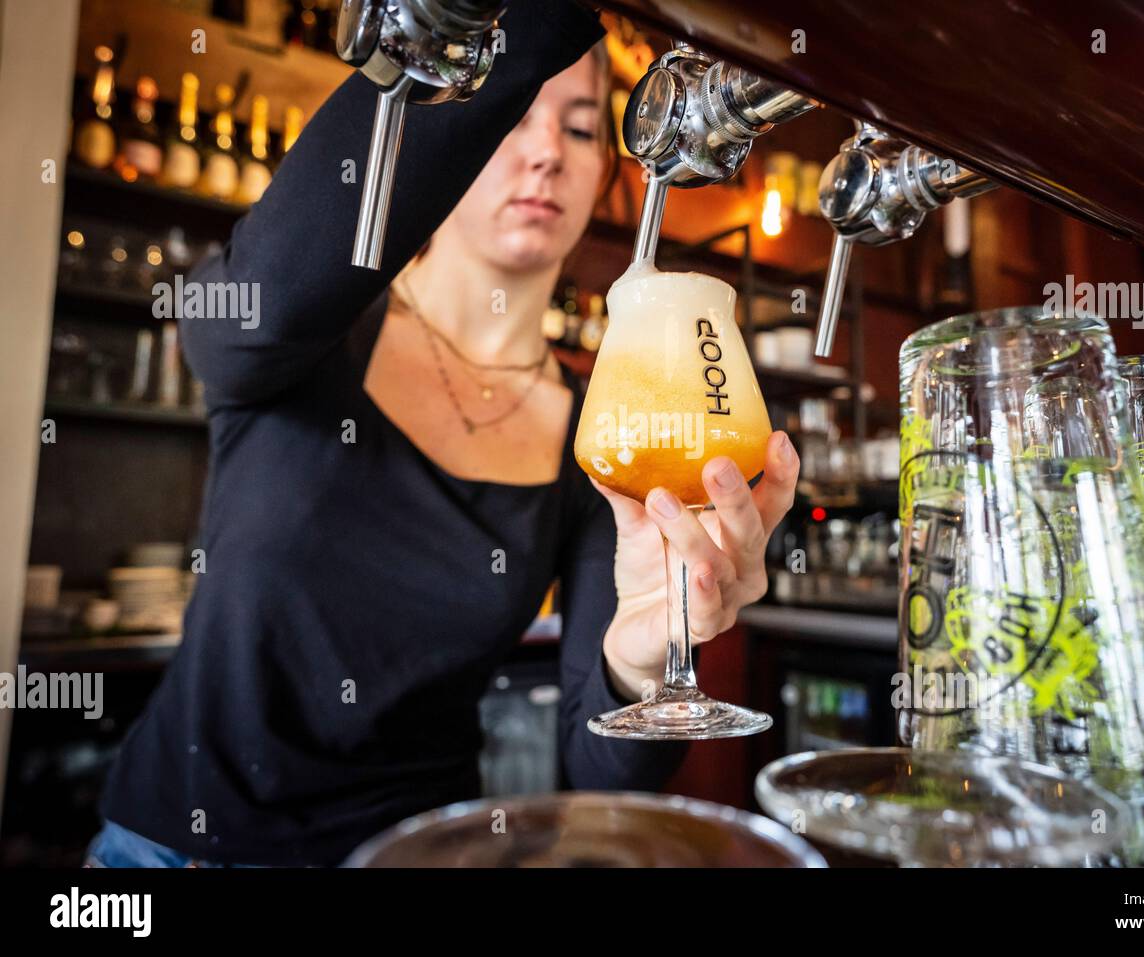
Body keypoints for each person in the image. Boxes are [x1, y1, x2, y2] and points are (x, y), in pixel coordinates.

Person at [85, 0, 798, 867]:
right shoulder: (313, 336)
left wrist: (642, 658)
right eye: (514, 113)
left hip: (412, 852)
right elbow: (240, 319)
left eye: (579, 131)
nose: (543, 153)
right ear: (460, 123)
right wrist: (531, 22)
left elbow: (596, 767)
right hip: (166, 851)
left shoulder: (598, 438)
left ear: (609, 173)